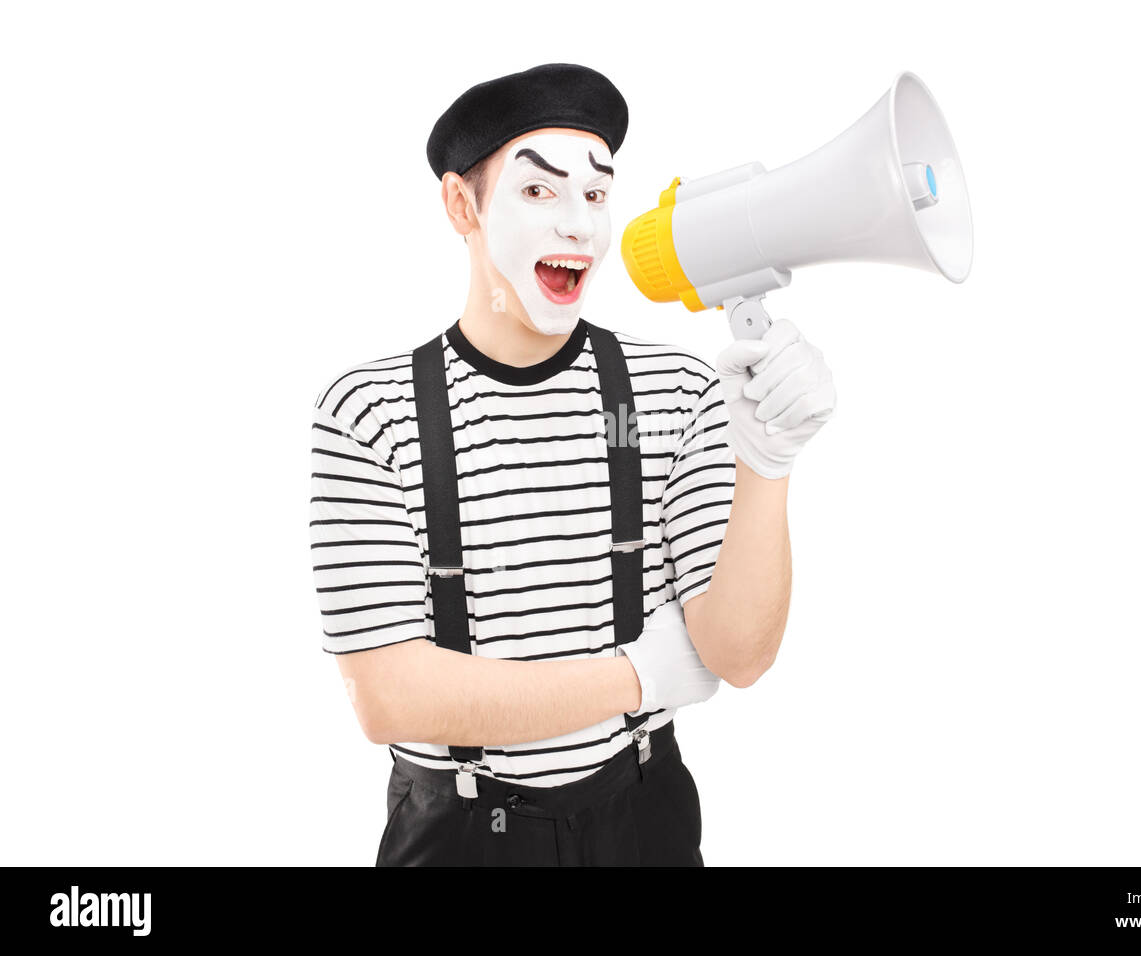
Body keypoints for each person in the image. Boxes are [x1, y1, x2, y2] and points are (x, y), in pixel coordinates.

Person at [310, 63, 835, 866]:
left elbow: (739, 655)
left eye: (595, 195)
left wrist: (767, 463)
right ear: (462, 205)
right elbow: (388, 697)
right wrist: (639, 676)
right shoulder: (369, 412)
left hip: (644, 819)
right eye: (537, 192)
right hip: (459, 835)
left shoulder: (668, 394)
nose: (580, 227)